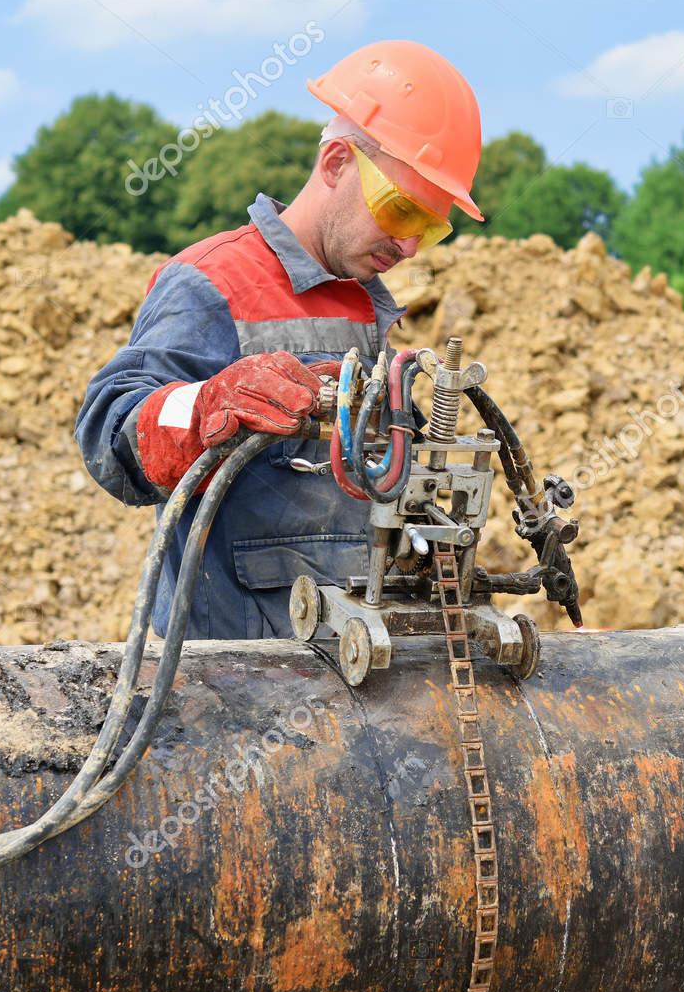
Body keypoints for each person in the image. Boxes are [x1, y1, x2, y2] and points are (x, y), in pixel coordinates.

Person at [76, 40, 482, 638]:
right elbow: (108, 429)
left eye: (431, 226)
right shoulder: (213, 281)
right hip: (232, 680)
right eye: (400, 212)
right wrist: (207, 405)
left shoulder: (362, 304)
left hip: (349, 662)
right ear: (337, 163)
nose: (410, 247)